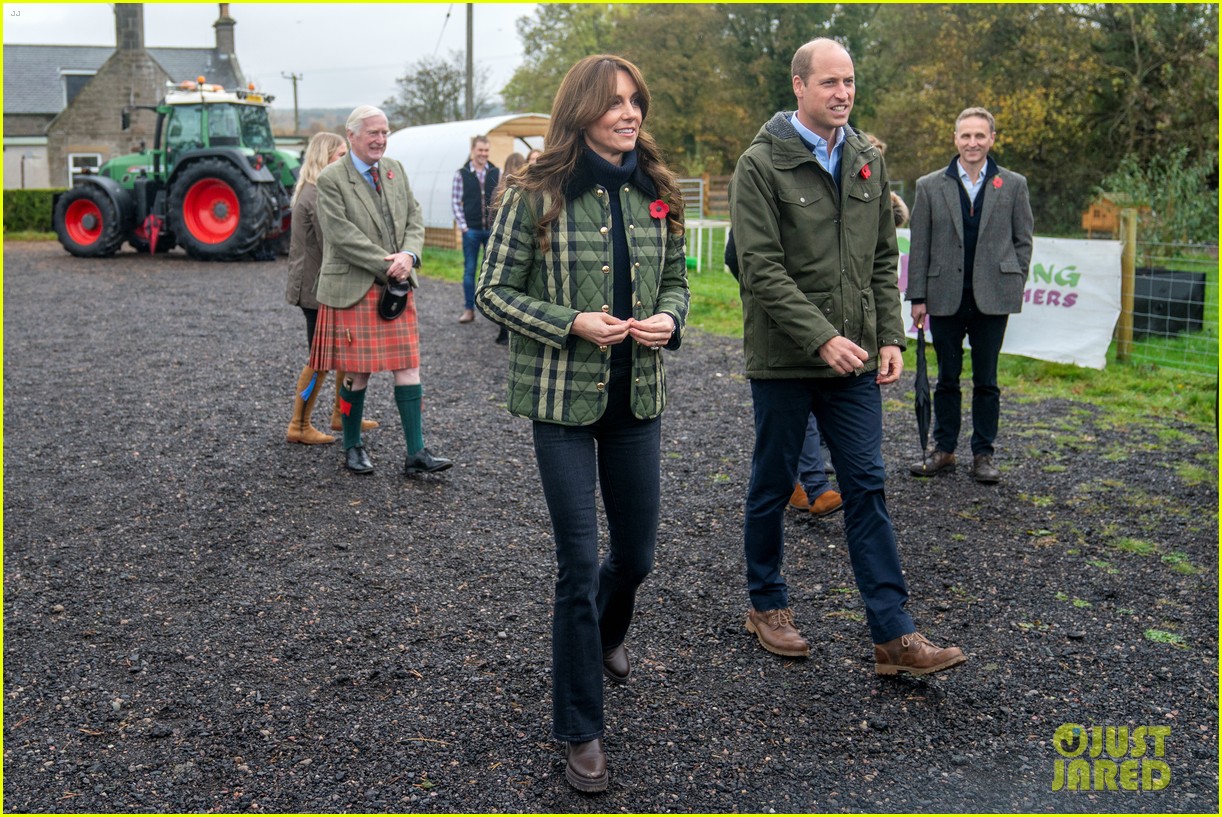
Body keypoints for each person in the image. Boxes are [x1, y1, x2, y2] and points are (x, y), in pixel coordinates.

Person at [476, 55, 689, 794]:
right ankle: (581, 729)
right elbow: (493, 290)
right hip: (560, 400)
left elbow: (677, 279)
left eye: (636, 101)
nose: (629, 114)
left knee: (635, 557)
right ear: (582, 112)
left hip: (638, 398)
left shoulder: (658, 187)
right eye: (614, 104)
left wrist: (669, 315)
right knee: (576, 563)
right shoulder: (534, 192)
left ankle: (606, 634)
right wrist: (570, 321)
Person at [730, 38, 966, 676]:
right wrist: (819, 337)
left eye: (850, 82)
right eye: (830, 82)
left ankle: (894, 636)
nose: (843, 93)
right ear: (799, 86)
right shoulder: (760, 165)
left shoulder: (865, 157)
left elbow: (883, 257)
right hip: (785, 359)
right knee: (775, 484)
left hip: (856, 361)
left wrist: (890, 336)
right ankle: (766, 604)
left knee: (867, 486)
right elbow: (759, 268)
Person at [310, 105, 452, 477]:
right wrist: (387, 263)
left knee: (409, 367)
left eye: (385, 132)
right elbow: (340, 235)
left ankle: (416, 453)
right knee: (358, 373)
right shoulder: (331, 179)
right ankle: (353, 446)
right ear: (352, 135)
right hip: (357, 287)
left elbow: (415, 217)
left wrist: (410, 254)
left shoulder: (395, 170)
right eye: (373, 133)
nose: (380, 139)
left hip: (397, 286)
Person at [906, 107, 1032, 484]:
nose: (972, 143)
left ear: (992, 139)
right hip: (944, 297)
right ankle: (944, 450)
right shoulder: (929, 186)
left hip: (992, 299)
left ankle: (983, 455)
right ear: (955, 138)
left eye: (980, 136)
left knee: (987, 381)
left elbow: (1023, 241)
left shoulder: (1013, 184)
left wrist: (1013, 278)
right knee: (946, 378)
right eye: (966, 136)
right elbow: (921, 245)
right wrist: (917, 297)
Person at [724, 230, 842, 518]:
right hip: (779, 321)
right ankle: (813, 486)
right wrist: (763, 293)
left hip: (824, 316)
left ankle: (799, 485)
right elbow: (735, 254)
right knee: (797, 409)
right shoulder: (762, 195)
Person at [284, 132, 380, 445]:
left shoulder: (313, 190)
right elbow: (337, 244)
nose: (346, 161)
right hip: (317, 290)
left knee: (344, 353)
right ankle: (299, 425)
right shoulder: (317, 195)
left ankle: (341, 414)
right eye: (341, 155)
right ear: (325, 157)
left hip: (322, 286)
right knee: (320, 359)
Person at [452, 135, 500, 325]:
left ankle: (493, 312)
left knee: (492, 272)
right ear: (473, 150)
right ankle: (469, 309)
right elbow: (456, 202)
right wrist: (463, 227)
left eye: (486, 151)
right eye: (480, 150)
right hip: (471, 230)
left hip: (491, 230)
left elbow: (500, 199)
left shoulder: (496, 171)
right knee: (470, 270)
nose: (483, 154)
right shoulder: (462, 173)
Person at [488, 152, 526, 346]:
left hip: (501, 241)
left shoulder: (499, 189)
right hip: (521, 243)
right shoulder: (527, 189)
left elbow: (491, 218)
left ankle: (503, 331)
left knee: (501, 288)